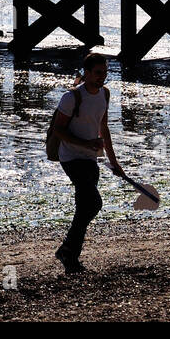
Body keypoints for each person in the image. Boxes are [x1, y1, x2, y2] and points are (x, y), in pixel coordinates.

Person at [50, 51, 124, 274]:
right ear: (87, 73)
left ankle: (68, 252)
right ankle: (69, 254)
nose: (102, 77)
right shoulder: (72, 97)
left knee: (86, 205)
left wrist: (114, 162)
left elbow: (104, 128)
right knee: (93, 203)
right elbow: (58, 129)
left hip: (91, 157)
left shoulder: (105, 94)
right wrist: (85, 143)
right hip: (71, 157)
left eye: (105, 72)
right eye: (98, 73)